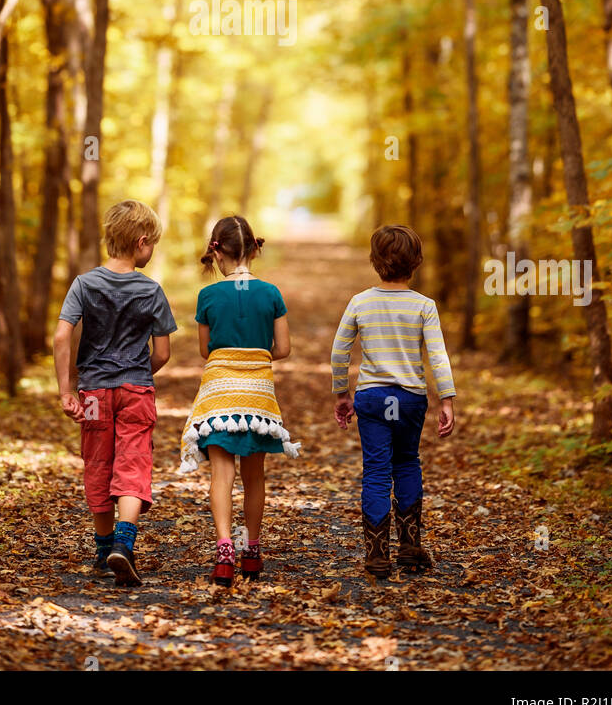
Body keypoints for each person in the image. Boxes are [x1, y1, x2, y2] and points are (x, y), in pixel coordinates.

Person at [53, 199, 177, 587]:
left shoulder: (84, 284)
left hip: (93, 393)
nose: (151, 250)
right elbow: (163, 353)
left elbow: (60, 336)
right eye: (152, 243)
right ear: (141, 242)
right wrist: (141, 372)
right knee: (133, 462)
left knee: (98, 463)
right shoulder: (151, 290)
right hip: (135, 390)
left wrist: (65, 391)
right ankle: (125, 542)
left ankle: (104, 548)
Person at [179, 215, 300, 587]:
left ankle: (224, 549)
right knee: (254, 475)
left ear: (216, 251)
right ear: (253, 248)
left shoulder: (208, 296)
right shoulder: (271, 293)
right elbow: (283, 349)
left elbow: (205, 350)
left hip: (219, 395)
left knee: (221, 473)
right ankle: (252, 550)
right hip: (258, 397)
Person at [331, 224, 456, 577]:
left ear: (375, 261)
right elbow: (437, 355)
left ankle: (376, 555)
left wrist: (342, 392)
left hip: (372, 397)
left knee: (375, 471)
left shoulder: (360, 302)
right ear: (416, 262)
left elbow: (340, 351)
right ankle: (410, 547)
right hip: (410, 399)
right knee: (406, 462)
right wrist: (447, 398)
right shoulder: (424, 306)